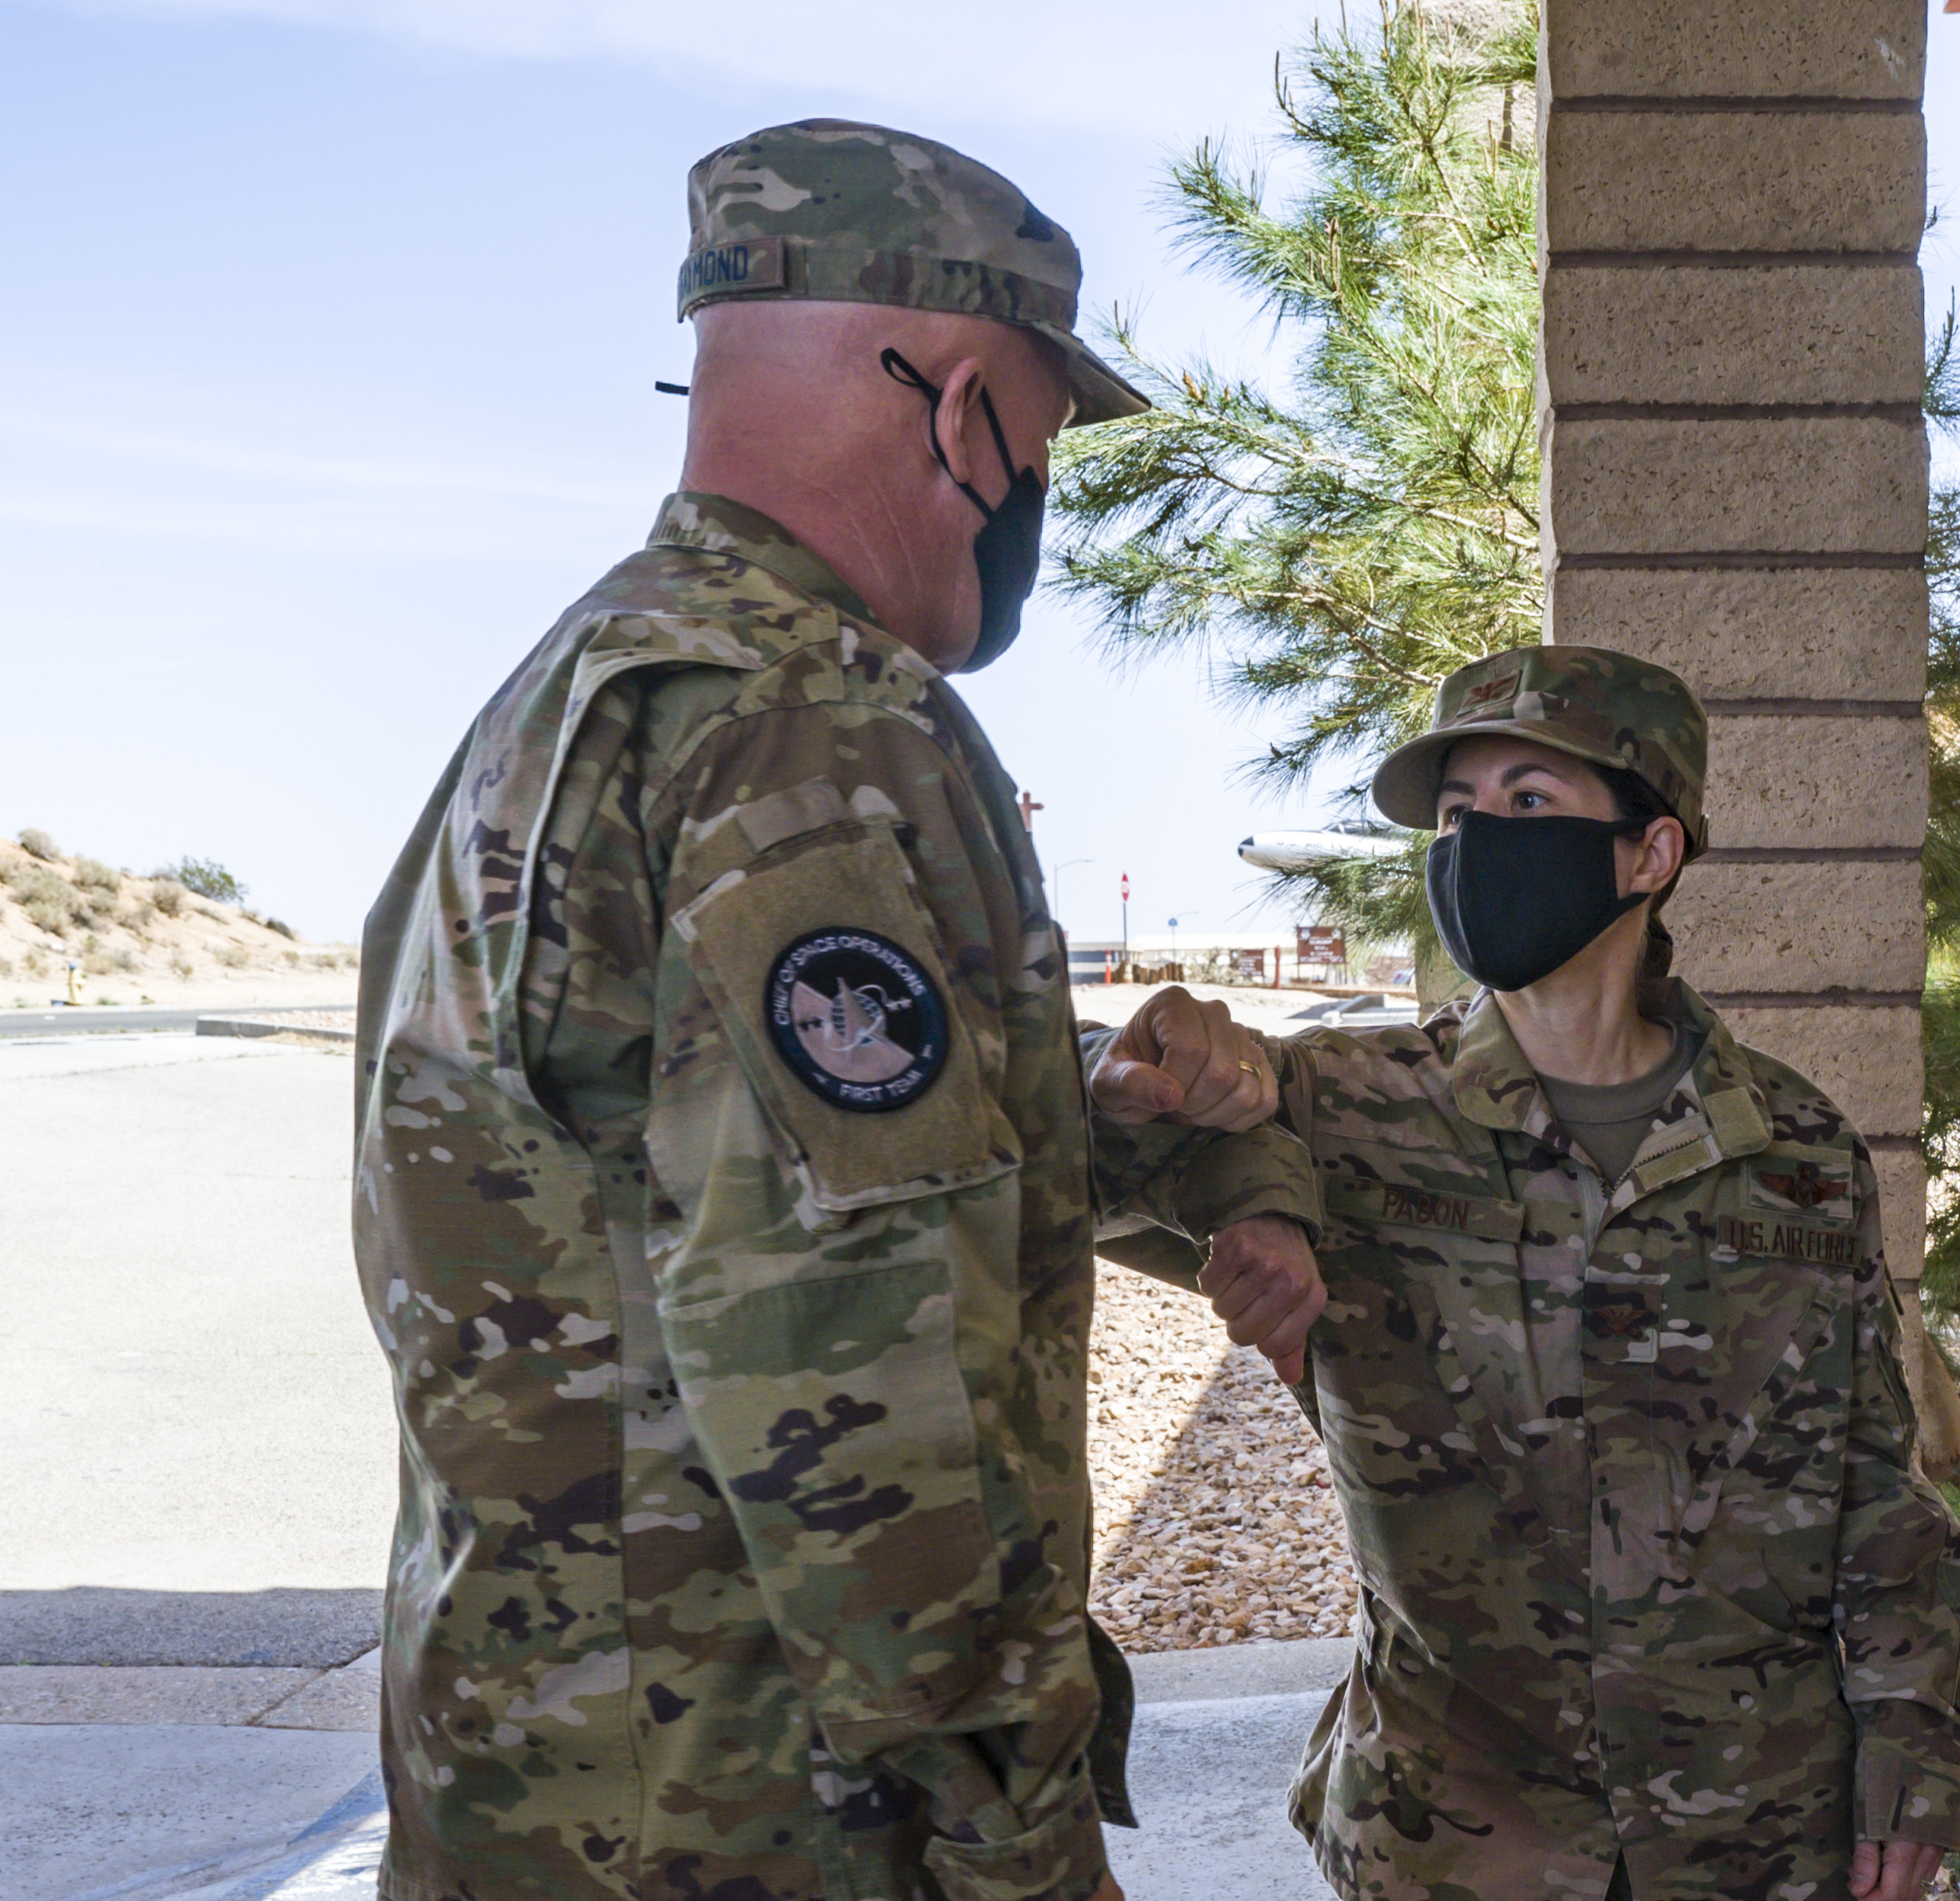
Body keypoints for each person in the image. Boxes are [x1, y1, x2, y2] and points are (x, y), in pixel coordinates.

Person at [351, 120, 1318, 1901]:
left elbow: (665, 1196)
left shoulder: (572, 692)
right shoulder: (816, 722)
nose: (1033, 496)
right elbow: (856, 1365)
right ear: (957, 407)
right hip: (775, 1814)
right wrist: (1018, 1835)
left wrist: (1120, 1125)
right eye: (1038, 441)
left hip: (533, 1769)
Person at [1130, 646, 1960, 1901]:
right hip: (1457, 1838)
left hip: (1757, 1831)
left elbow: (1873, 1481)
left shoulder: (1796, 1152)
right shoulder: (1335, 1105)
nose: (1480, 846)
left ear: (1652, 854)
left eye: (1530, 805)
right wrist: (1218, 1150)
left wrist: (1915, 1749)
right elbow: (1035, 1145)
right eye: (1460, 815)